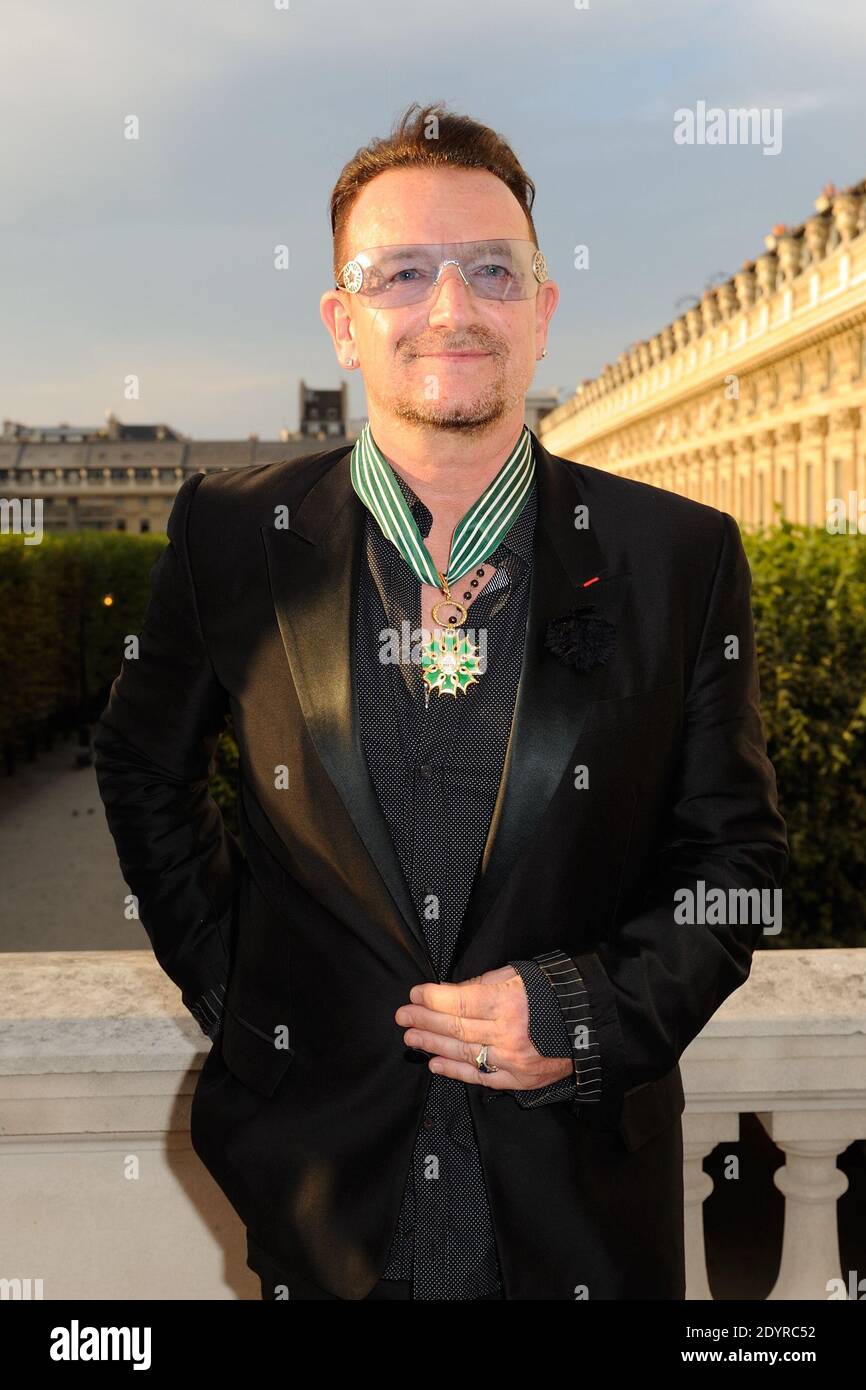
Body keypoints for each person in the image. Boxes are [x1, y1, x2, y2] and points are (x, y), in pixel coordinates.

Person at [93, 101, 788, 1301]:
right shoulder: (232, 533)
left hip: (578, 1213)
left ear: (542, 310)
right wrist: (243, 993)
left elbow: (735, 862)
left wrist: (577, 1013)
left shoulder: (675, 554)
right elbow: (140, 769)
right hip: (320, 1205)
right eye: (400, 272)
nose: (451, 308)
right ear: (343, 322)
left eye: (490, 270)